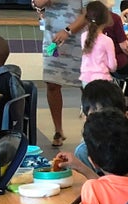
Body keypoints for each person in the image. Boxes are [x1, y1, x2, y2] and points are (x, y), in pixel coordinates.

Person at [33, 0, 86, 146]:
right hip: (53, 38)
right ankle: (58, 130)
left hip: (80, 41)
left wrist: (68, 30)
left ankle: (90, 128)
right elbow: (38, 3)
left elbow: (88, 12)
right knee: (52, 82)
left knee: (86, 84)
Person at [79, 0, 117, 84]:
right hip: (102, 80)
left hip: (85, 79)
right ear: (106, 19)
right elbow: (112, 66)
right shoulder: (107, 40)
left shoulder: (83, 36)